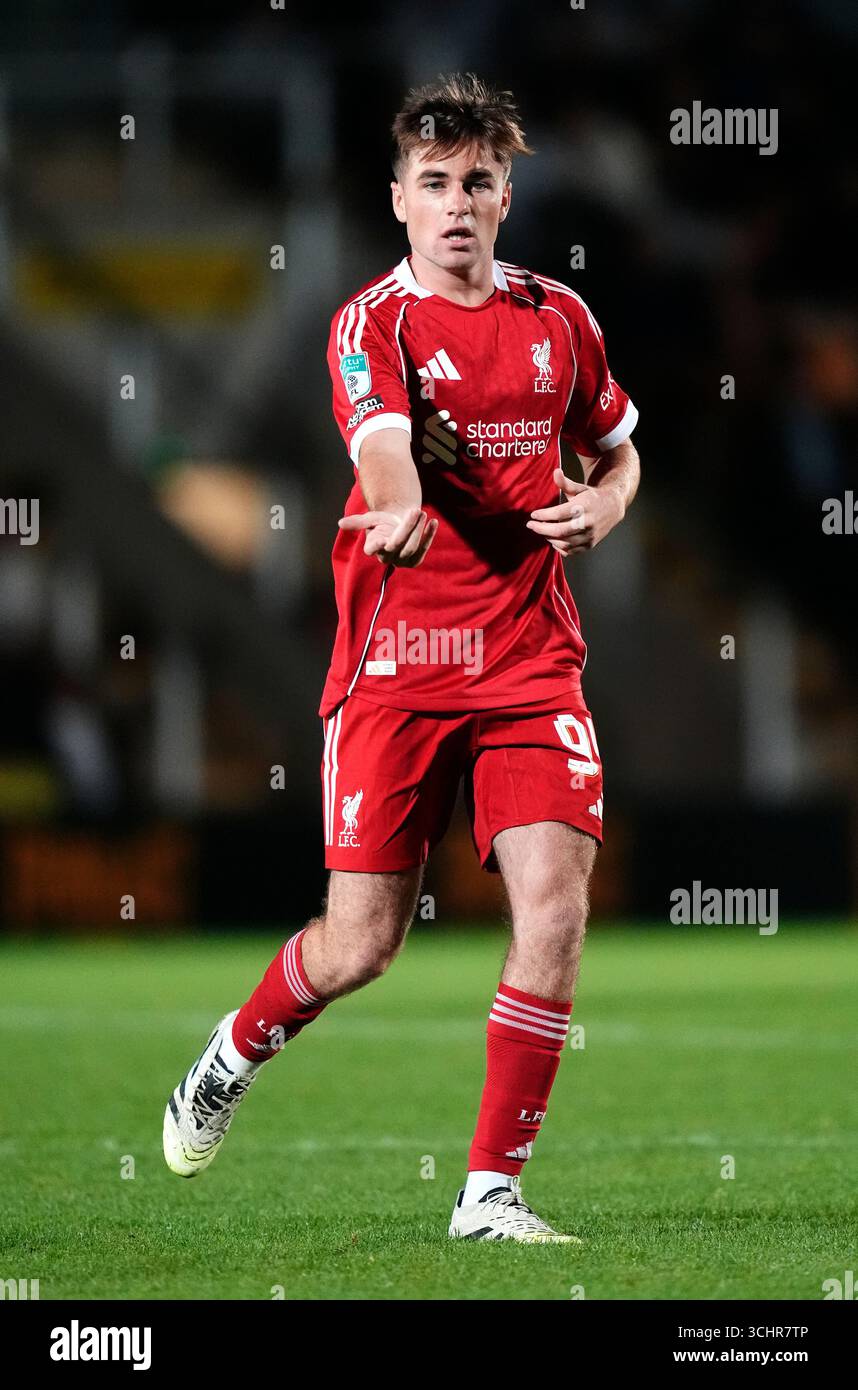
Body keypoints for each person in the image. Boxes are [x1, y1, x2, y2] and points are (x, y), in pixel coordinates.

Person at [163, 72, 640, 1244]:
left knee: (555, 904)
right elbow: (381, 450)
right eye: (435, 183)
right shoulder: (372, 325)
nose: (458, 203)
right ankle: (231, 1053)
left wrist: (610, 507)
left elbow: (620, 450)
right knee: (361, 943)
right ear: (399, 200)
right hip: (401, 663)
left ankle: (490, 1194)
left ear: (507, 195)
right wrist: (402, 505)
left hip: (531, 658)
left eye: (478, 180)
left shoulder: (559, 320)